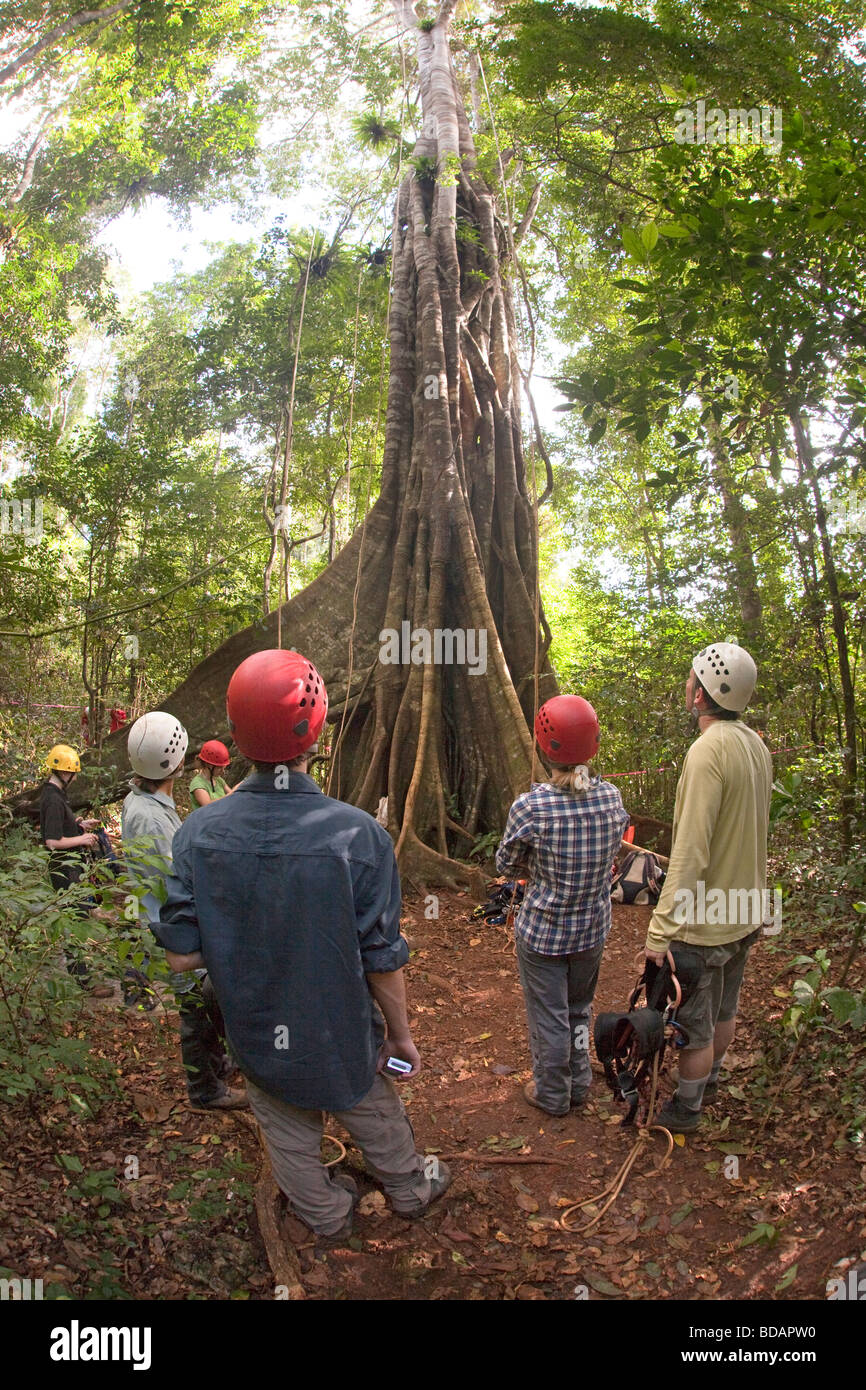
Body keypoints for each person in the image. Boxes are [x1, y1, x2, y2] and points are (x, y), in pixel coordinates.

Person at [155, 648, 450, 1239]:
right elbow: (381, 957)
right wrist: (401, 1036)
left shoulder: (197, 832)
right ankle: (411, 1189)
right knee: (369, 1101)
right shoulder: (358, 835)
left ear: (236, 735)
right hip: (340, 1028)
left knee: (283, 1116)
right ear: (316, 732)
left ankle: (324, 1212)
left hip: (258, 1027)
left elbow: (182, 954)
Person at [644, 642, 772, 1133]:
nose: (687, 686)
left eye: (690, 678)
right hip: (744, 910)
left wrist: (660, 933)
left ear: (700, 694)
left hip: (706, 923)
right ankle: (711, 1080)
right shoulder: (755, 744)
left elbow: (691, 852)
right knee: (725, 1007)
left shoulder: (707, 752)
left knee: (695, 1023)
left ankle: (686, 1109)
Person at [496, 696, 629, 1117]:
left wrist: (535, 866)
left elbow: (506, 863)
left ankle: (553, 1092)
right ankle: (579, 1083)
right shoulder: (610, 799)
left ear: (543, 747)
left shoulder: (531, 806)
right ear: (593, 746)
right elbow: (615, 853)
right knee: (577, 1009)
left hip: (543, 934)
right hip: (591, 930)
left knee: (549, 1013)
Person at [121, 711, 246, 1110]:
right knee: (195, 1006)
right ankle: (205, 1090)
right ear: (174, 763)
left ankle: (216, 1065)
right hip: (171, 921)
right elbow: (176, 874)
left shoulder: (143, 799)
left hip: (168, 915)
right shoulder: (151, 816)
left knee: (204, 1000)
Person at [39, 743, 113, 997]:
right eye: (73, 773)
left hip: (72, 868)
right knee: (75, 921)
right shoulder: (51, 799)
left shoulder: (56, 795)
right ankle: (84, 982)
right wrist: (81, 840)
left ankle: (83, 974)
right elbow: (52, 841)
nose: (75, 777)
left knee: (80, 917)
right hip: (64, 871)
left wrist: (80, 824)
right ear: (64, 772)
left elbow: (61, 826)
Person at [189, 740, 234, 810]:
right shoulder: (197, 785)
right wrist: (232, 794)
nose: (223, 771)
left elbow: (233, 796)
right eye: (220, 768)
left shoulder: (218, 780)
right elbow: (208, 806)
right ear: (208, 765)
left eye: (223, 768)